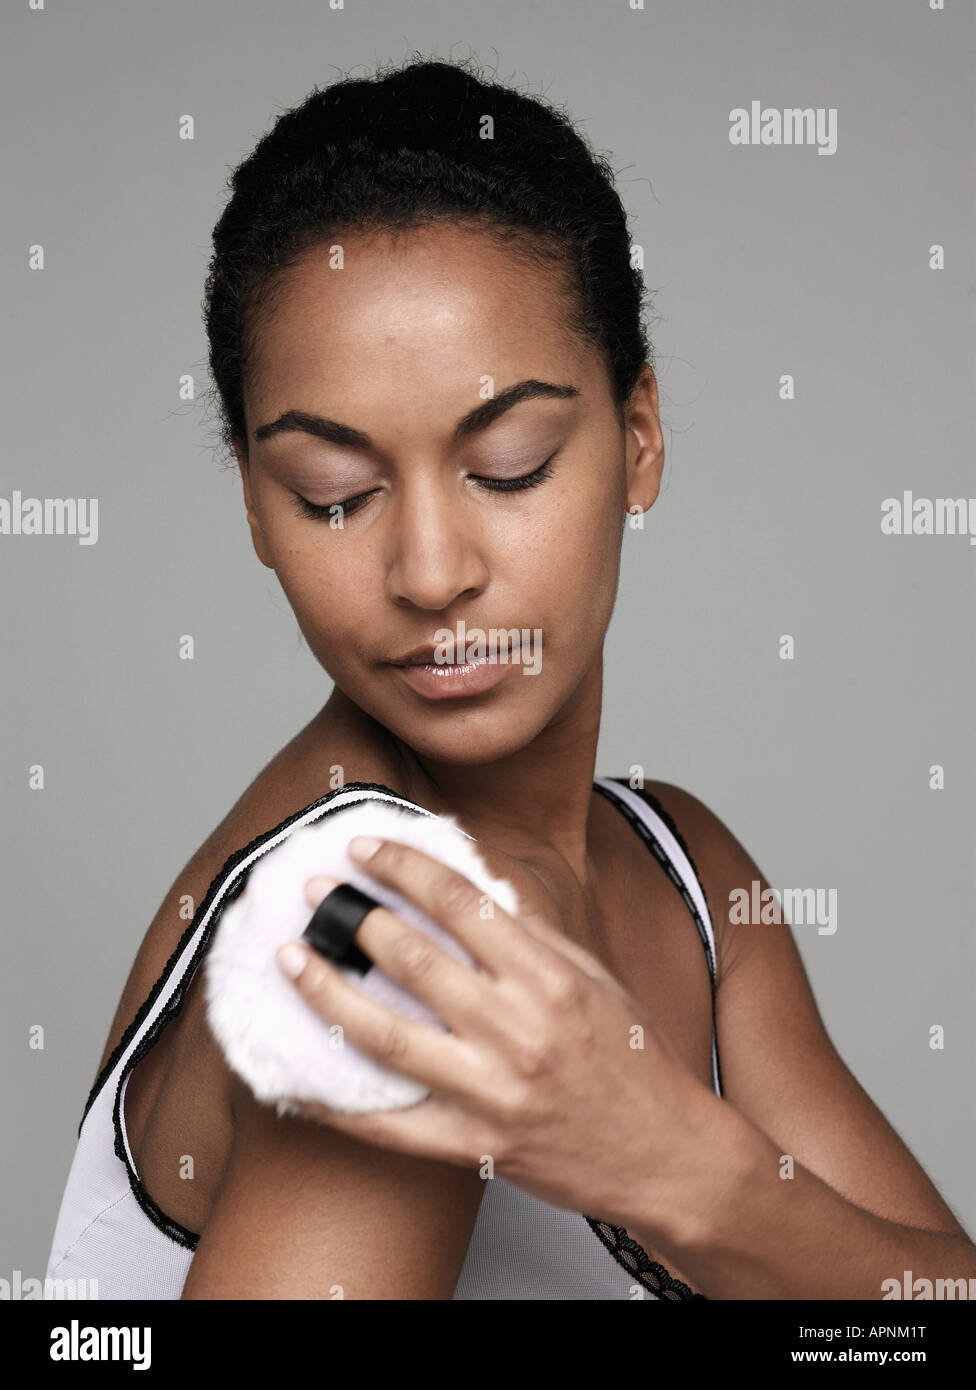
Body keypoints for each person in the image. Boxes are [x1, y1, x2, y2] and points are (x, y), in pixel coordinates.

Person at [45, 53, 975, 1300]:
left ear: (639, 436)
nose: (430, 571)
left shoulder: (681, 870)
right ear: (257, 510)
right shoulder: (382, 934)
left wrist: (680, 1166)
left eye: (512, 463)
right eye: (334, 494)